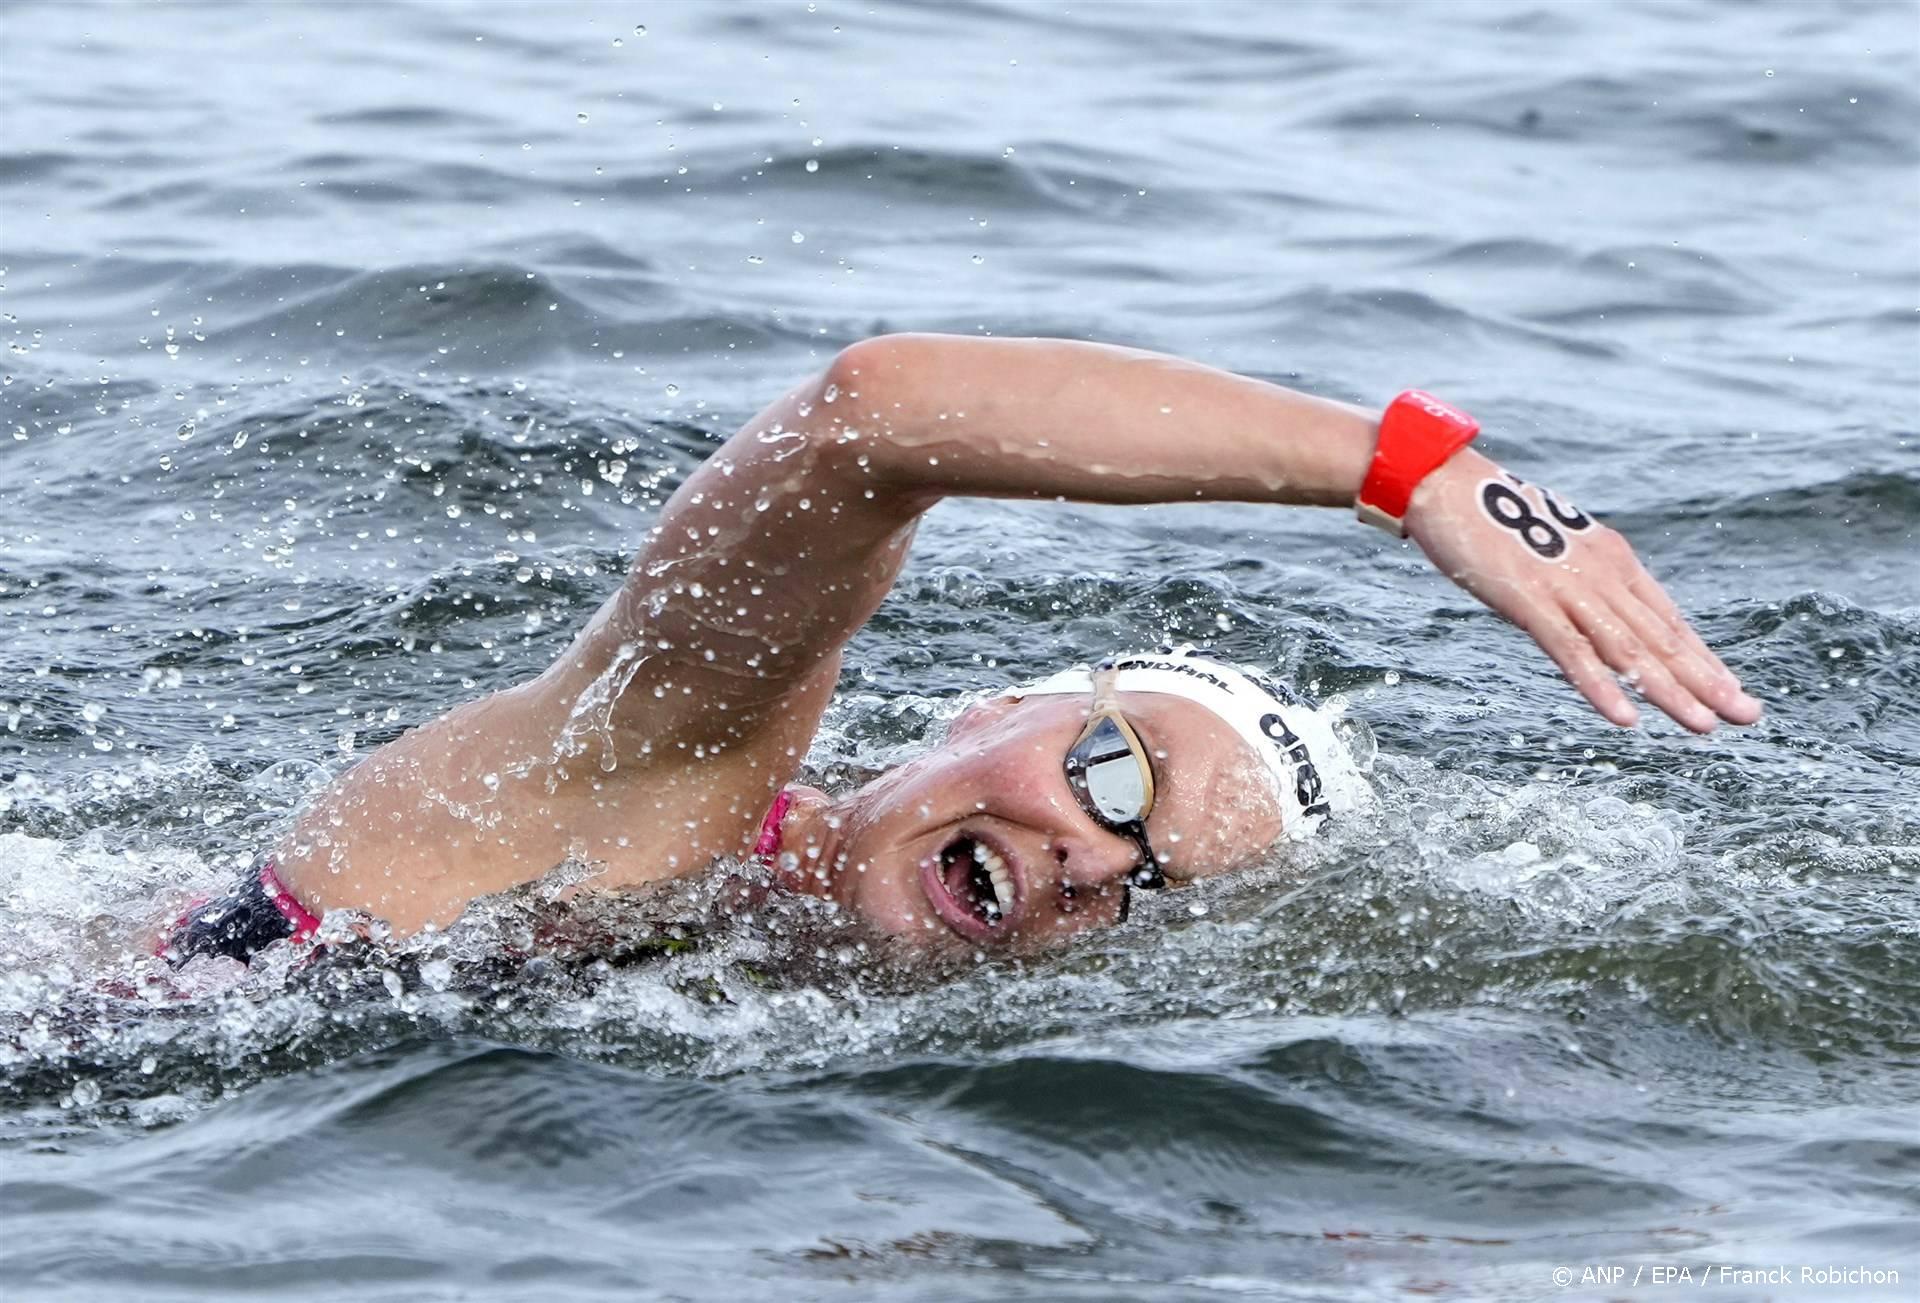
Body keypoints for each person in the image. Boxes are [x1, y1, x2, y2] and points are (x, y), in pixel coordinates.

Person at [158, 334, 1762, 967]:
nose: (1087, 860)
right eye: (1115, 772)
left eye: (1153, 892)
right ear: (986, 705)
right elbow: (875, 419)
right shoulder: (664, 787)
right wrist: (1404, 466)